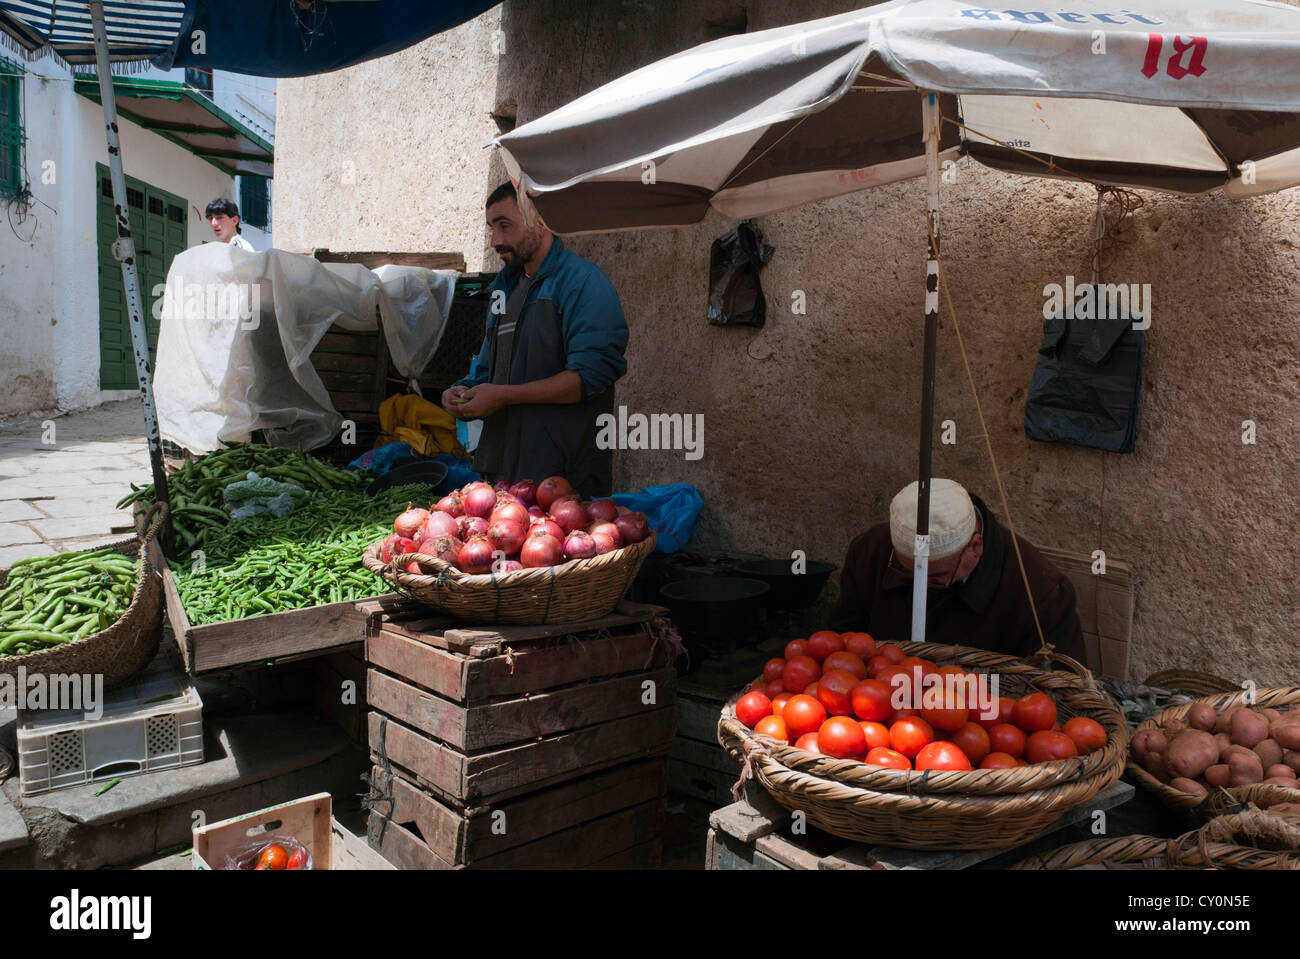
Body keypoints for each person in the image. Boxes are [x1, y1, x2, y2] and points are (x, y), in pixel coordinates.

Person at [441, 183, 629, 496]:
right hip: (500, 474)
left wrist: (502, 395)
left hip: (562, 479)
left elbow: (588, 378)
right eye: (492, 228)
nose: (495, 240)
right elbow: (487, 373)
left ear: (539, 222)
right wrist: (461, 391)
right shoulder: (504, 290)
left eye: (504, 226)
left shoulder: (582, 283)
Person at [829, 478, 1087, 662]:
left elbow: (1059, 685)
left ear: (976, 546)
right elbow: (841, 645)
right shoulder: (871, 550)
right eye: (907, 572)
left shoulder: (1040, 592)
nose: (921, 586)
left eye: (937, 577)